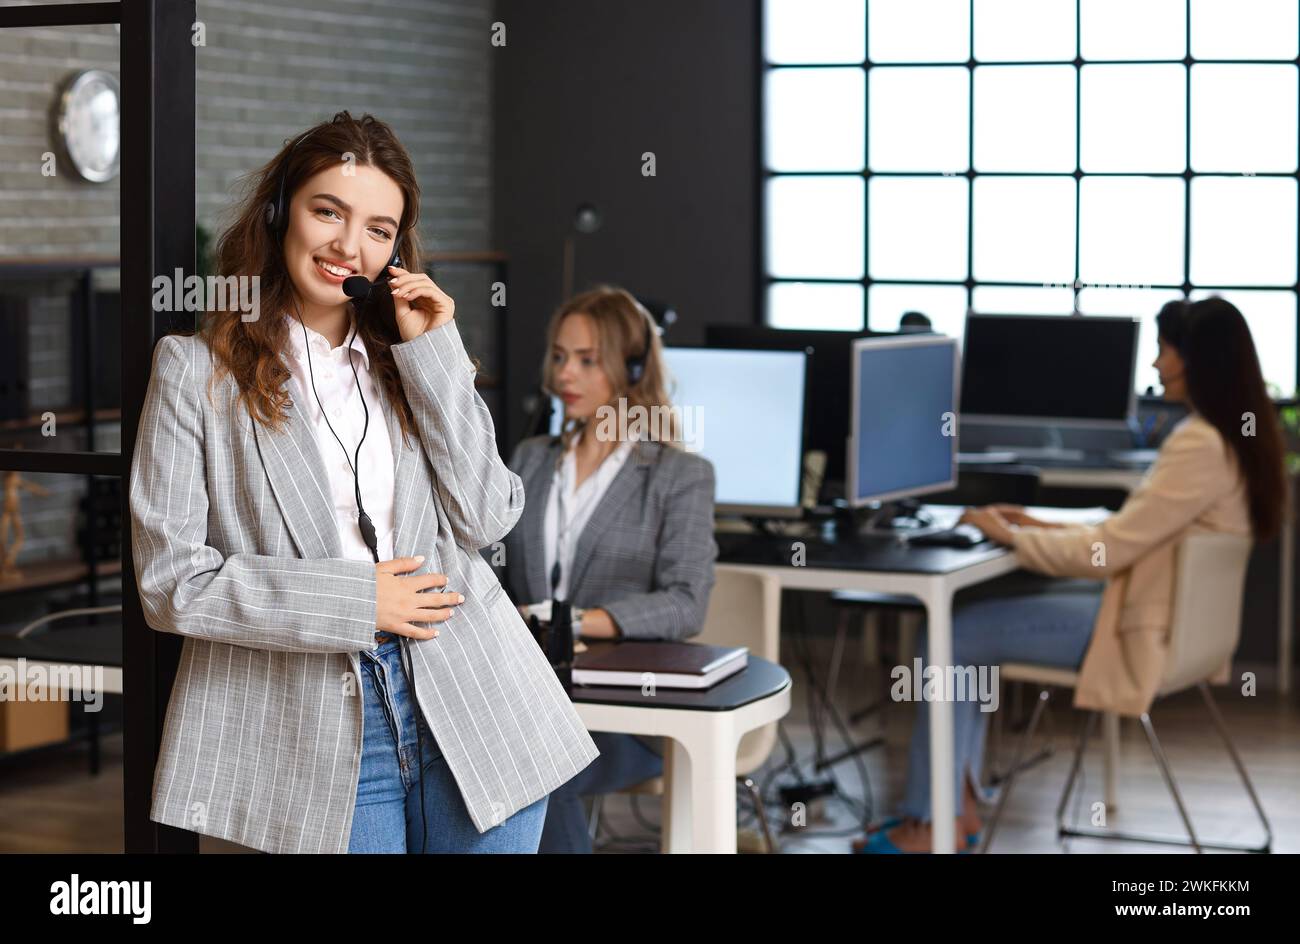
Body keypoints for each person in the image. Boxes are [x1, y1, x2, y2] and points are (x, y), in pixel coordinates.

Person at [129, 112, 597, 854]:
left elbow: (486, 517)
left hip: (474, 700)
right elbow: (171, 583)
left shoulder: (412, 361)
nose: (350, 246)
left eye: (379, 230)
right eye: (328, 212)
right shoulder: (193, 373)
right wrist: (359, 600)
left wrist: (437, 352)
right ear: (279, 213)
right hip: (312, 727)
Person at [858, 297, 1286, 853]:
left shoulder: (1198, 444)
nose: (1156, 364)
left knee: (953, 631)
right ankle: (954, 807)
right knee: (964, 618)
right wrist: (1034, 524)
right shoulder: (1235, 439)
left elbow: (1105, 551)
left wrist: (1011, 537)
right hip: (1171, 625)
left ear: (1196, 360)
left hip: (1139, 631)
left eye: (1164, 350)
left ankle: (933, 821)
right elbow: (1131, 530)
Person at [493, 285, 718, 853]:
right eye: (560, 356)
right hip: (527, 694)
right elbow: (495, 572)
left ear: (632, 369)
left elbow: (686, 602)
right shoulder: (531, 459)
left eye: (588, 360)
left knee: (541, 766)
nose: (565, 373)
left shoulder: (678, 475)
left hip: (629, 713)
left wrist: (570, 621)